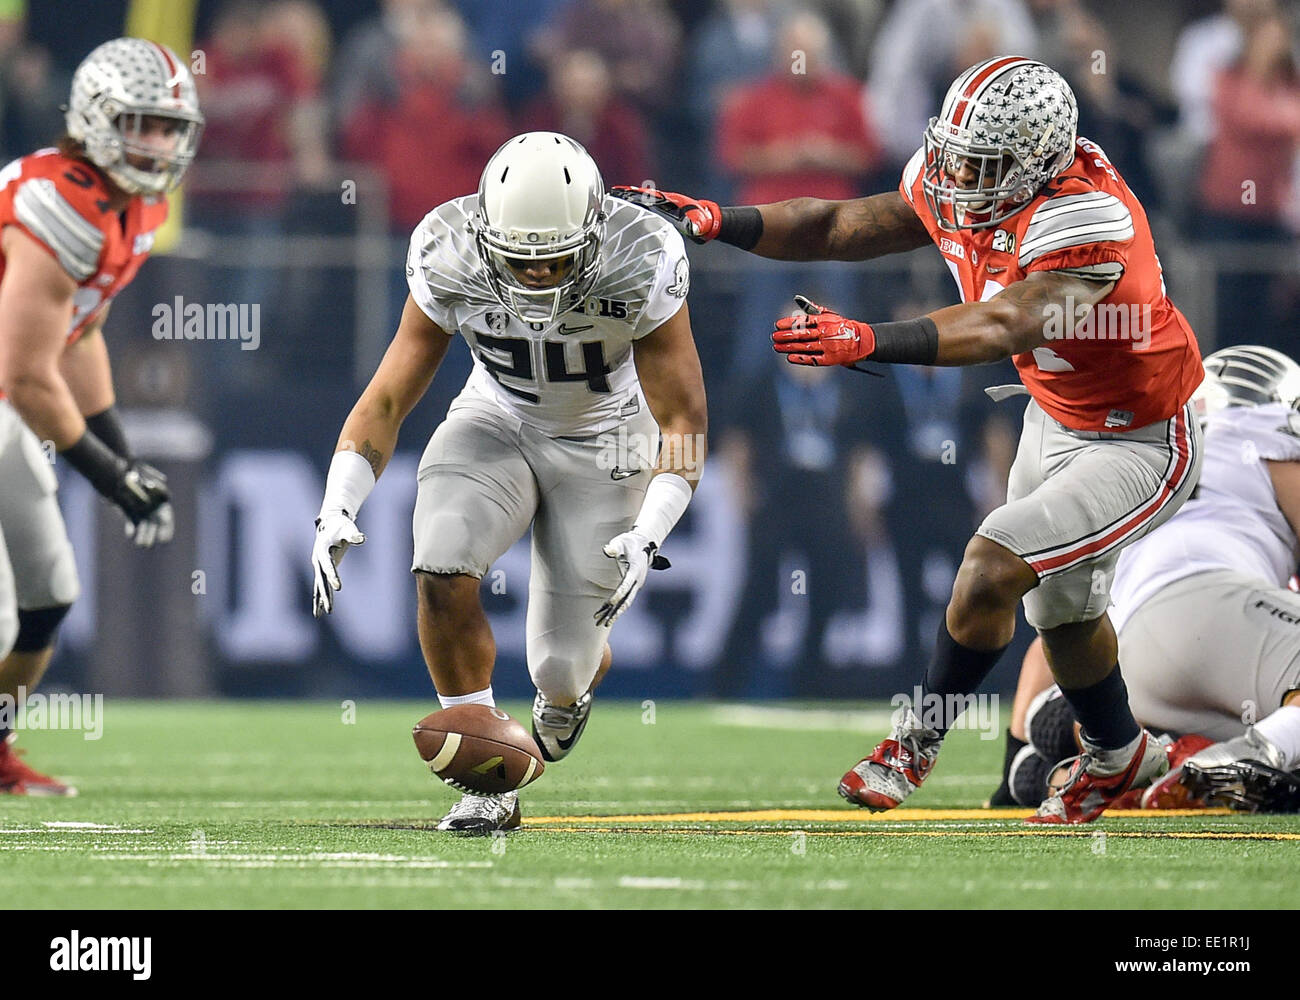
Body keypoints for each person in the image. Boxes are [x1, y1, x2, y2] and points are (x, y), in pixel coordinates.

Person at [616, 55, 1204, 824]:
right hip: (1055, 414)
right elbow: (838, 224)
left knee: (992, 567)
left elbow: (1004, 322)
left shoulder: (1087, 219)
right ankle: (1122, 755)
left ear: (1038, 163)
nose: (958, 176)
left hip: (1141, 436)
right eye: (954, 153)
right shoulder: (959, 176)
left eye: (982, 163)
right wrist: (721, 222)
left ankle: (916, 741)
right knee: (1061, 613)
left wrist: (868, 339)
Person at [311, 132, 707, 834]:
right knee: (440, 560)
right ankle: (486, 782)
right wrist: (338, 500)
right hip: (497, 417)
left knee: (559, 668)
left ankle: (572, 688)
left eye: (554, 257)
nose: (537, 276)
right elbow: (387, 399)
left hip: (608, 438)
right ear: (488, 235)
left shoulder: (641, 254)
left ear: (591, 233)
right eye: (520, 259)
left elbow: (681, 416)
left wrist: (654, 525)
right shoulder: (448, 246)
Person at [0, 38, 202, 794]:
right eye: (139, 124)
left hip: (7, 408)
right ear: (92, 117)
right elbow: (25, 375)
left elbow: (79, 335)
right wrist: (111, 478)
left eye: (167, 127)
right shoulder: (59, 206)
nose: (156, 144)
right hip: (6, 396)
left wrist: (122, 452)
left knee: (46, 597)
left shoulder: (132, 206)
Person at [995, 346, 1300, 814]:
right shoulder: (1261, 431)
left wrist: (1014, 769)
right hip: (1214, 607)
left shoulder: (1154, 450)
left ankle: (1134, 765)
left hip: (1129, 660)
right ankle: (1243, 757)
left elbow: (1052, 635)